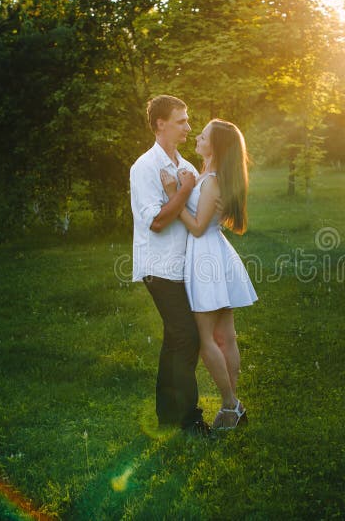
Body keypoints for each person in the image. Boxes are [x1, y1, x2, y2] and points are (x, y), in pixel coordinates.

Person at [161, 119, 257, 430]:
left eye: (203, 136)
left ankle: (230, 405)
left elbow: (198, 227)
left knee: (207, 340)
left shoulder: (211, 179)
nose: (198, 138)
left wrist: (175, 194)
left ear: (214, 147)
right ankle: (234, 405)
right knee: (225, 337)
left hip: (206, 257)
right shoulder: (209, 176)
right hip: (215, 254)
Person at [129, 95, 210, 436]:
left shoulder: (186, 166)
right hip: (158, 266)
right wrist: (184, 189)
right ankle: (189, 418)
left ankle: (166, 413)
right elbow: (157, 222)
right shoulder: (144, 167)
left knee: (176, 338)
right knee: (187, 335)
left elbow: (193, 215)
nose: (188, 128)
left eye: (188, 121)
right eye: (181, 121)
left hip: (184, 266)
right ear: (161, 123)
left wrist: (186, 187)